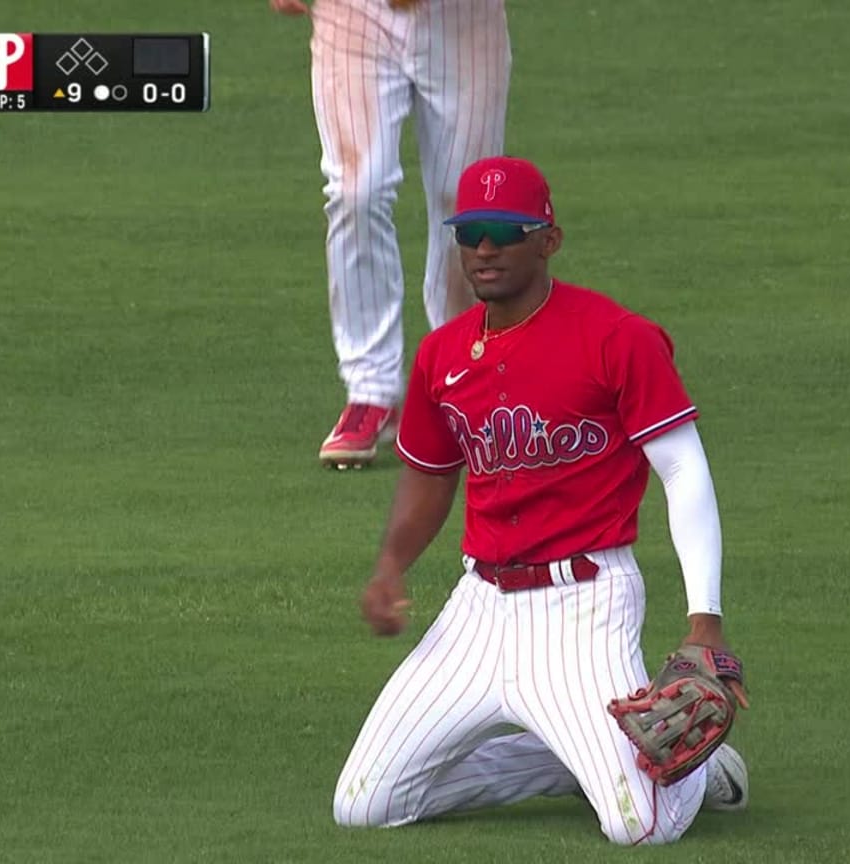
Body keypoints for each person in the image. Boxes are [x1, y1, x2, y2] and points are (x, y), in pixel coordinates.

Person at [331, 155, 751, 845]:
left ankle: (697, 775)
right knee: (364, 805)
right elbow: (432, 474)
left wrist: (705, 616)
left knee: (637, 828)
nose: (485, 248)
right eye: (470, 233)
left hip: (583, 606)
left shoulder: (617, 338)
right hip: (477, 613)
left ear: (548, 240)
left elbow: (684, 471)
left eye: (504, 230)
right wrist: (390, 568)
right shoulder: (442, 354)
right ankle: (575, 760)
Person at [269, 0, 513, 469]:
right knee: (354, 190)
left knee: (464, 198)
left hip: (462, 17)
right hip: (353, 13)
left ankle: (459, 376)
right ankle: (371, 391)